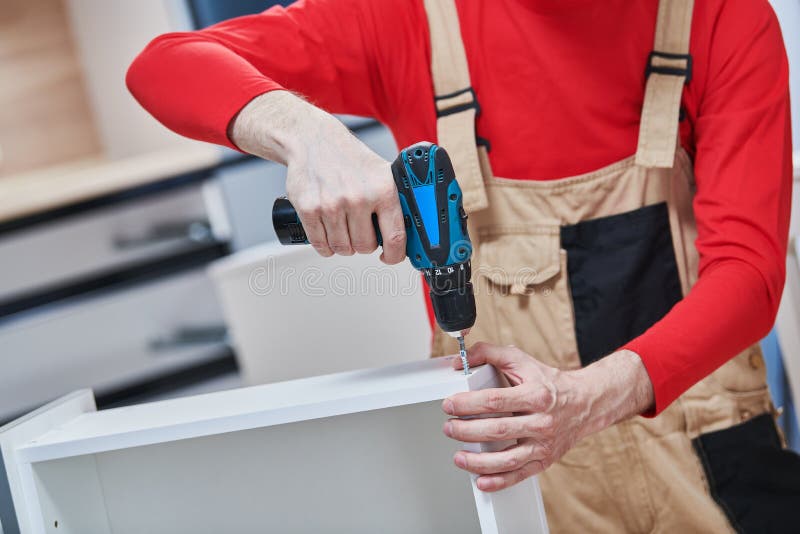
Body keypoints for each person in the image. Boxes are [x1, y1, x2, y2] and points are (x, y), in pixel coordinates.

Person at [127, 0, 799, 531]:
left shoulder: (720, 16)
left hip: (713, 462)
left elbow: (748, 274)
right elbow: (163, 66)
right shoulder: (410, 18)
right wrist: (308, 135)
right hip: (514, 486)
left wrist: (585, 401)